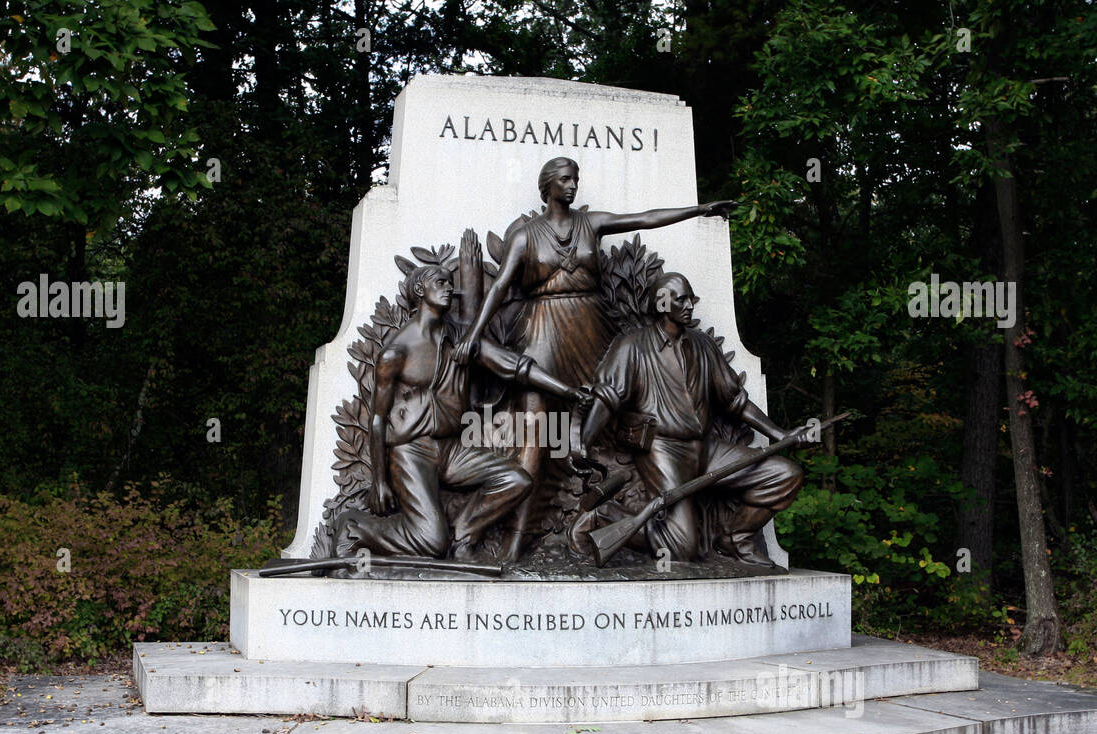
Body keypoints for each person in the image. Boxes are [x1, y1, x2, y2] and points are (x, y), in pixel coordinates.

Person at [453, 156, 736, 560]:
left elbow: (646, 218)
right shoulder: (526, 237)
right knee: (536, 432)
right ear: (547, 185)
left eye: (576, 180)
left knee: (604, 414)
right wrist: (473, 336)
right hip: (543, 334)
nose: (573, 187)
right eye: (566, 180)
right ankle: (516, 537)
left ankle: (616, 517)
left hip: (591, 330)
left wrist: (699, 209)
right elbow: (499, 288)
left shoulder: (592, 223)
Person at [338, 262, 591, 561]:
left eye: (449, 282)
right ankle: (354, 528)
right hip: (412, 452)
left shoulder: (462, 338)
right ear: (420, 290)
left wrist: (569, 392)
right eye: (440, 283)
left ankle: (463, 535)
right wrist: (379, 480)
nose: (449, 288)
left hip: (452, 449)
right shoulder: (397, 351)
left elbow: (516, 367)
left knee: (516, 480)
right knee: (431, 542)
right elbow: (378, 418)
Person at [573, 272, 805, 567]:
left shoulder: (703, 345)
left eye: (690, 298)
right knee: (681, 549)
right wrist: (584, 443)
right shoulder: (631, 346)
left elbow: (735, 401)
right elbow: (608, 399)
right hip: (663, 450)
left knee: (785, 475)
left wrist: (779, 433)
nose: (689, 305)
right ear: (661, 304)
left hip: (707, 449)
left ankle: (736, 539)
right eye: (680, 299)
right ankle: (604, 516)